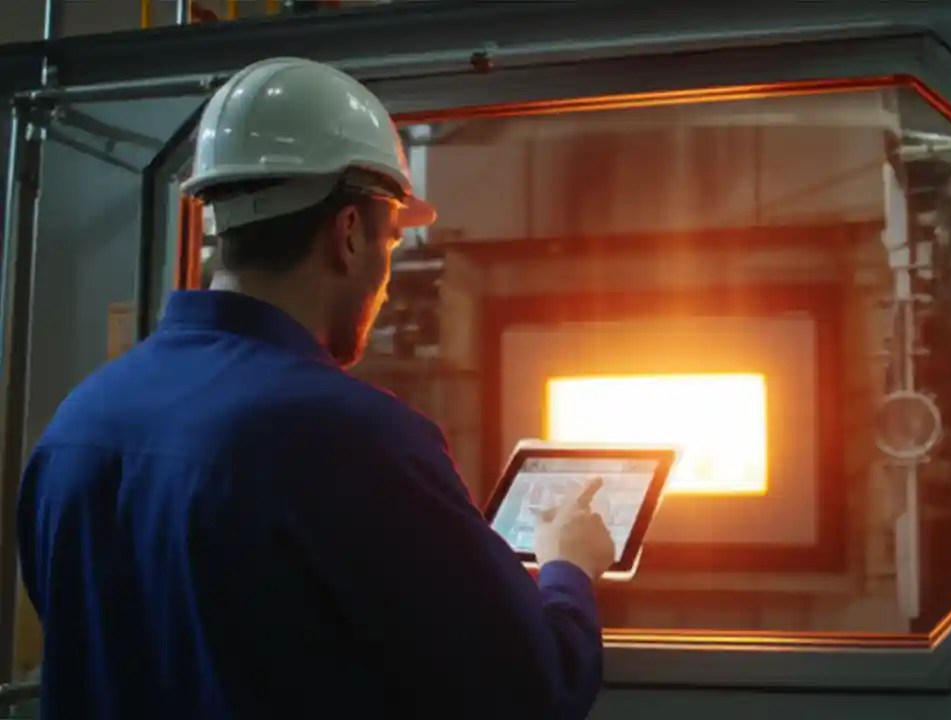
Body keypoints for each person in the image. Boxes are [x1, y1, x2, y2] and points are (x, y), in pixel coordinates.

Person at [16, 57, 616, 719]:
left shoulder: (77, 423)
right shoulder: (353, 438)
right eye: (393, 238)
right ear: (350, 234)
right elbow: (530, 691)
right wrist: (568, 566)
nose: (387, 282)